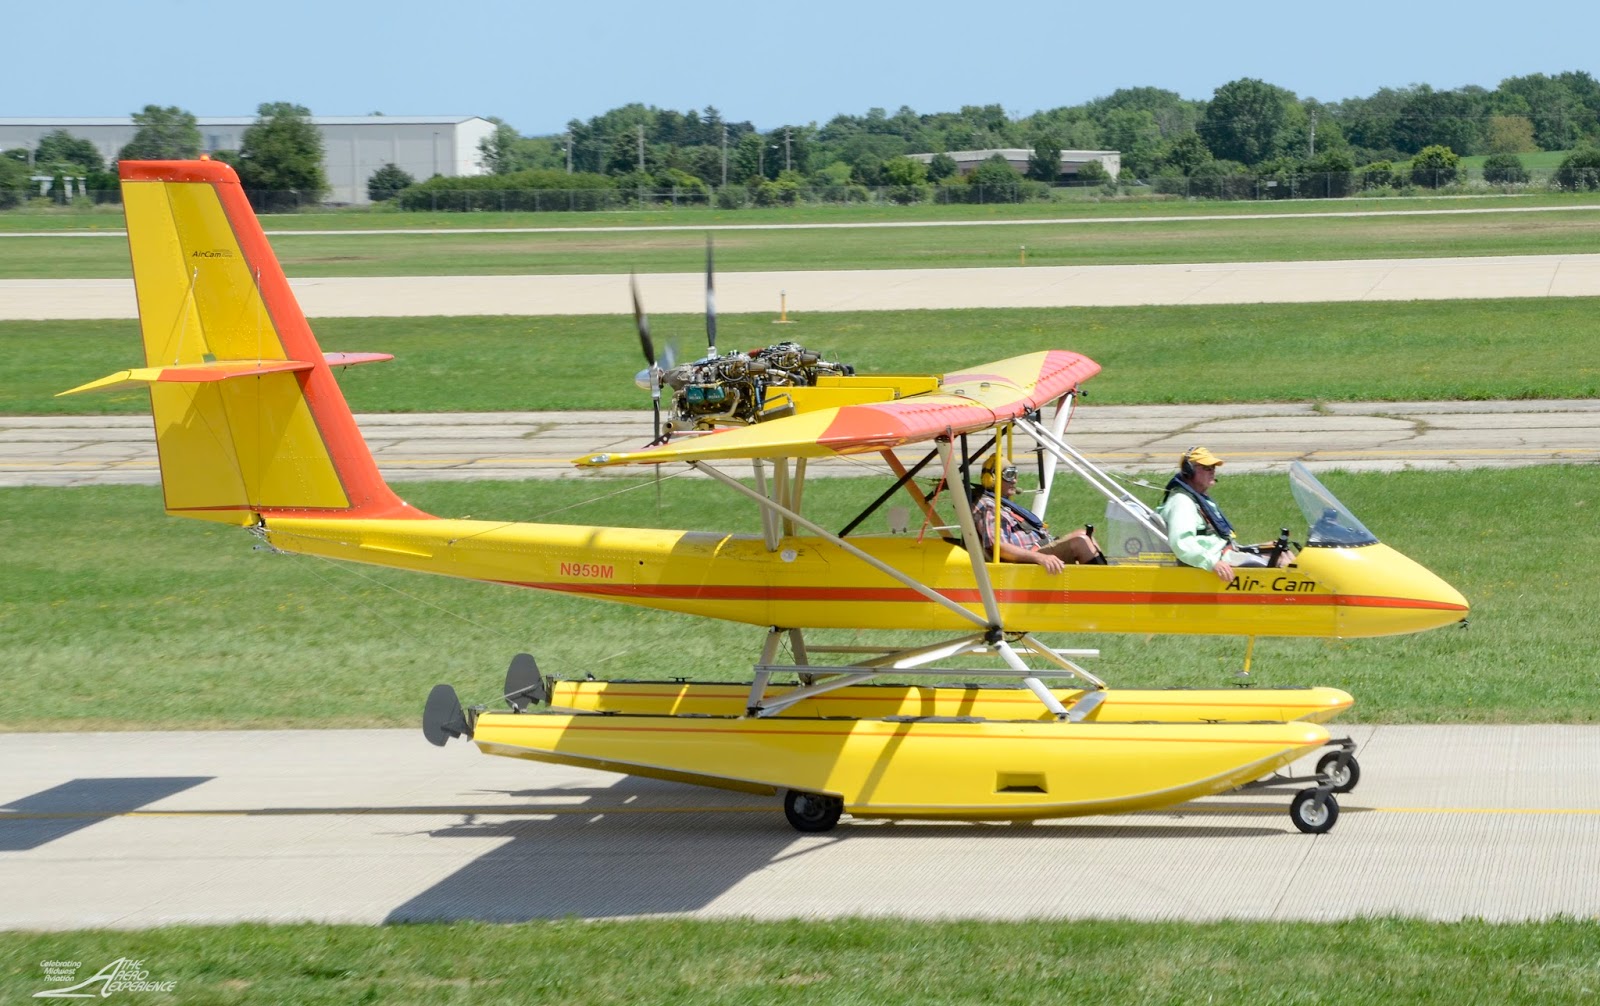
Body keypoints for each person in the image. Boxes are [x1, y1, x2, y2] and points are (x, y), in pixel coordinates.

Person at [1158, 446, 1291, 583]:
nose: (1212, 472)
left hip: (1224, 552)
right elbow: (1182, 543)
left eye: (1213, 468)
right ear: (1189, 471)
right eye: (1207, 468)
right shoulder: (1182, 502)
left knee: (1282, 552)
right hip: (1215, 560)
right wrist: (1212, 563)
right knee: (1281, 562)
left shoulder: (1196, 496)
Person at [970, 454, 1104, 573]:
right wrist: (1040, 557)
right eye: (1009, 475)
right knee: (1080, 542)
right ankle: (1104, 585)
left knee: (1083, 535)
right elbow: (999, 546)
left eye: (1015, 475)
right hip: (1028, 558)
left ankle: (1105, 574)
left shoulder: (1000, 502)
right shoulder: (988, 506)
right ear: (991, 479)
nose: (1015, 480)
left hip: (1036, 547)